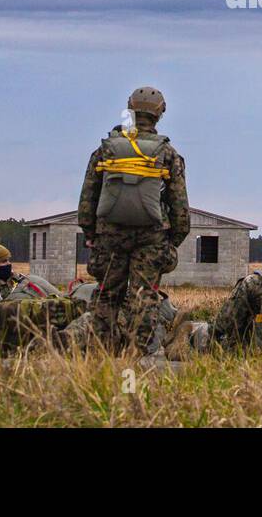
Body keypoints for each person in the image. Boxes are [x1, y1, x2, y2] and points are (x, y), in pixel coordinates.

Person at [77, 86, 190, 351]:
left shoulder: (106, 149)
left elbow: (87, 200)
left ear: (131, 109)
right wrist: (170, 240)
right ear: (159, 113)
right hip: (151, 238)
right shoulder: (168, 154)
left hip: (109, 236)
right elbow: (180, 207)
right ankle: (138, 356)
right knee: (144, 298)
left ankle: (100, 355)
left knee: (106, 296)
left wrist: (92, 235)